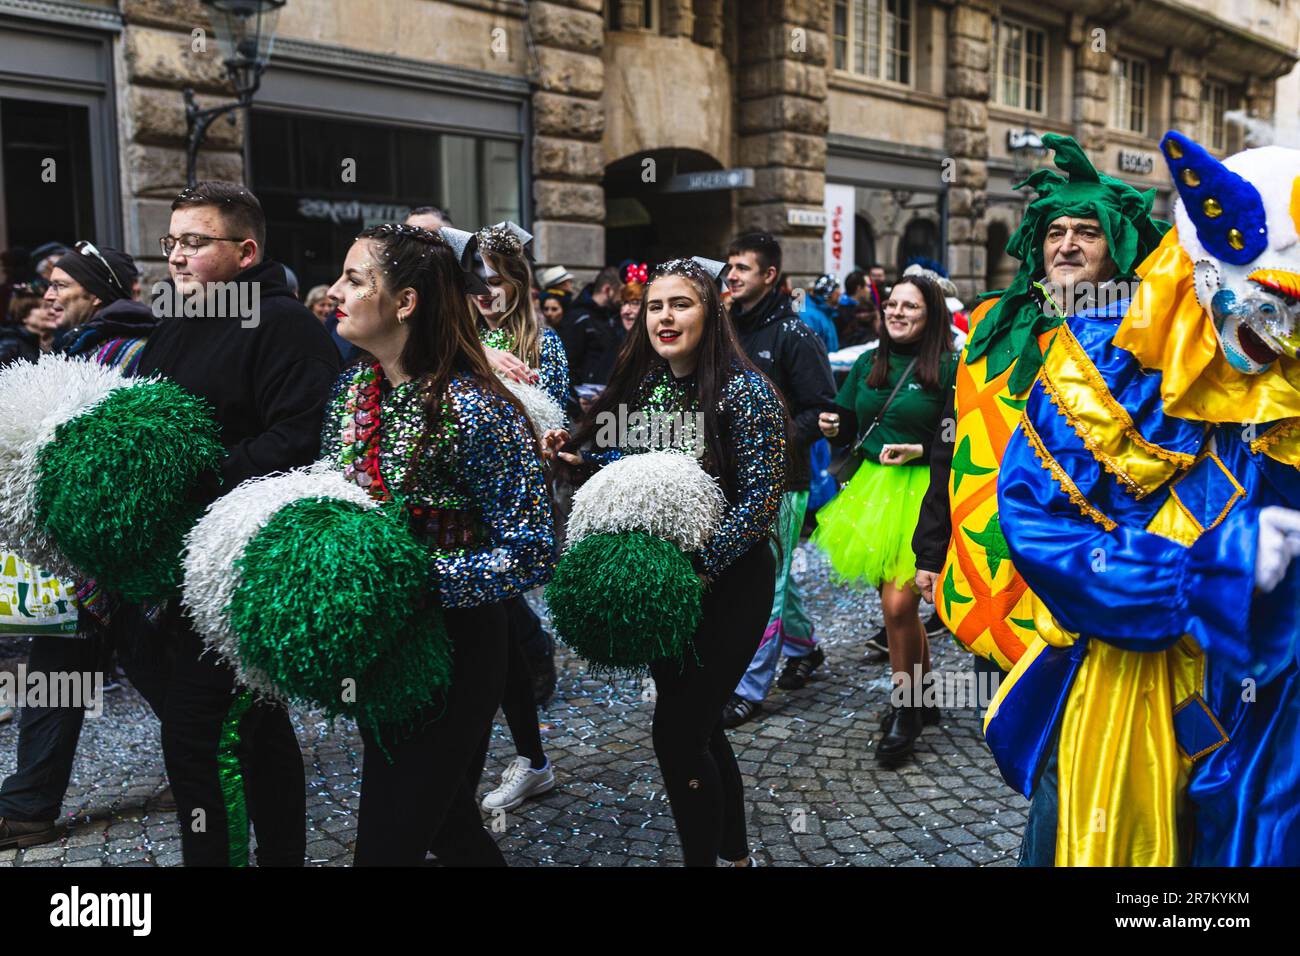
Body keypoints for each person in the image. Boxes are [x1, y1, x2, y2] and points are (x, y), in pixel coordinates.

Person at [987, 132, 1300, 866]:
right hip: (1129, 680)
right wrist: (1190, 578)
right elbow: (1039, 521)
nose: (1277, 333)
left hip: (1268, 698)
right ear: (1200, 270)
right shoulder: (1108, 363)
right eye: (1264, 301)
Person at [324, 222, 555, 866]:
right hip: (384, 641)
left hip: (457, 650)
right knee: (448, 825)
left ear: (405, 303)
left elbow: (531, 549)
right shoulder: (352, 392)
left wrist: (416, 577)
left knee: (387, 844)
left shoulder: (479, 408)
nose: (335, 291)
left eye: (355, 279)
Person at [545, 255, 786, 867]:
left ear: (712, 309)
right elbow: (639, 475)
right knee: (697, 728)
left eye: (681, 303)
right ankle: (735, 857)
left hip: (728, 585)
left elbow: (758, 507)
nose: (664, 317)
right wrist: (585, 464)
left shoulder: (747, 391)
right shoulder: (650, 387)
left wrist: (702, 567)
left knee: (677, 735)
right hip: (669, 583)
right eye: (655, 305)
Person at [911, 135, 1168, 697]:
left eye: (1087, 232)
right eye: (1056, 231)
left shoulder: (1147, 341)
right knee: (1006, 729)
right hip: (990, 572)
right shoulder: (990, 325)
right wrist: (931, 548)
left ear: (1118, 246)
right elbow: (951, 443)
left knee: (1083, 749)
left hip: (1092, 583)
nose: (1068, 245)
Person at [134, 181, 341, 866]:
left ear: (245, 251)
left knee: (198, 738)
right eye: (171, 243)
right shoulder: (175, 323)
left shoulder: (284, 326)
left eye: (195, 242)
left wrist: (196, 474)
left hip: (242, 567)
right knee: (256, 728)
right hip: (180, 568)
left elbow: (301, 440)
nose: (177, 257)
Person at [0, 243, 167, 852]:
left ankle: (236, 757)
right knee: (57, 676)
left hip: (115, 556)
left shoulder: (128, 351)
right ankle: (26, 807)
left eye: (62, 284)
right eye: (46, 283)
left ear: (97, 293)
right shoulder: (72, 347)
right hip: (75, 561)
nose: (47, 293)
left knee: (162, 673)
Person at [813, 274, 957, 764]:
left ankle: (906, 707)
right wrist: (834, 423)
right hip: (873, 495)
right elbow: (850, 419)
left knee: (899, 609)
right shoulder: (868, 362)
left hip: (923, 495)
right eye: (892, 304)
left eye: (909, 306)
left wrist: (922, 448)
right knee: (898, 610)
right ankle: (924, 691)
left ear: (931, 314)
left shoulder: (950, 367)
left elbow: (959, 437)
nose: (896, 312)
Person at [466, 221, 568, 813]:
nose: (485, 295)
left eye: (495, 284)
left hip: (514, 496)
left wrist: (552, 437)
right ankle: (527, 756)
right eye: (476, 284)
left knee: (495, 614)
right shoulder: (455, 339)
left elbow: (557, 411)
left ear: (516, 285)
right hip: (464, 498)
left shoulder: (541, 343)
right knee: (496, 626)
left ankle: (522, 759)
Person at [722, 233, 836, 728]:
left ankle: (748, 687)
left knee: (765, 583)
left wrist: (773, 438)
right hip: (729, 477)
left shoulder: (795, 333)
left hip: (783, 483)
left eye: (743, 268)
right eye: (729, 266)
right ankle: (806, 648)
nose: (731, 275)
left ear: (770, 276)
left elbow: (822, 408)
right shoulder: (723, 328)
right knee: (773, 576)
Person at [558, 265, 624, 399]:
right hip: (584, 399)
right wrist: (576, 402)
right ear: (607, 289)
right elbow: (566, 365)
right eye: (620, 292)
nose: (622, 299)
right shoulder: (578, 317)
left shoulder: (614, 317)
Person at [835, 270, 879, 347]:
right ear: (858, 288)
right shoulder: (841, 314)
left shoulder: (868, 307)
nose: (870, 290)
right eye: (868, 286)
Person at [800, 274, 841, 353]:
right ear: (829, 293)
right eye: (837, 290)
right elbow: (809, 349)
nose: (840, 293)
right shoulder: (809, 316)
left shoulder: (825, 313)